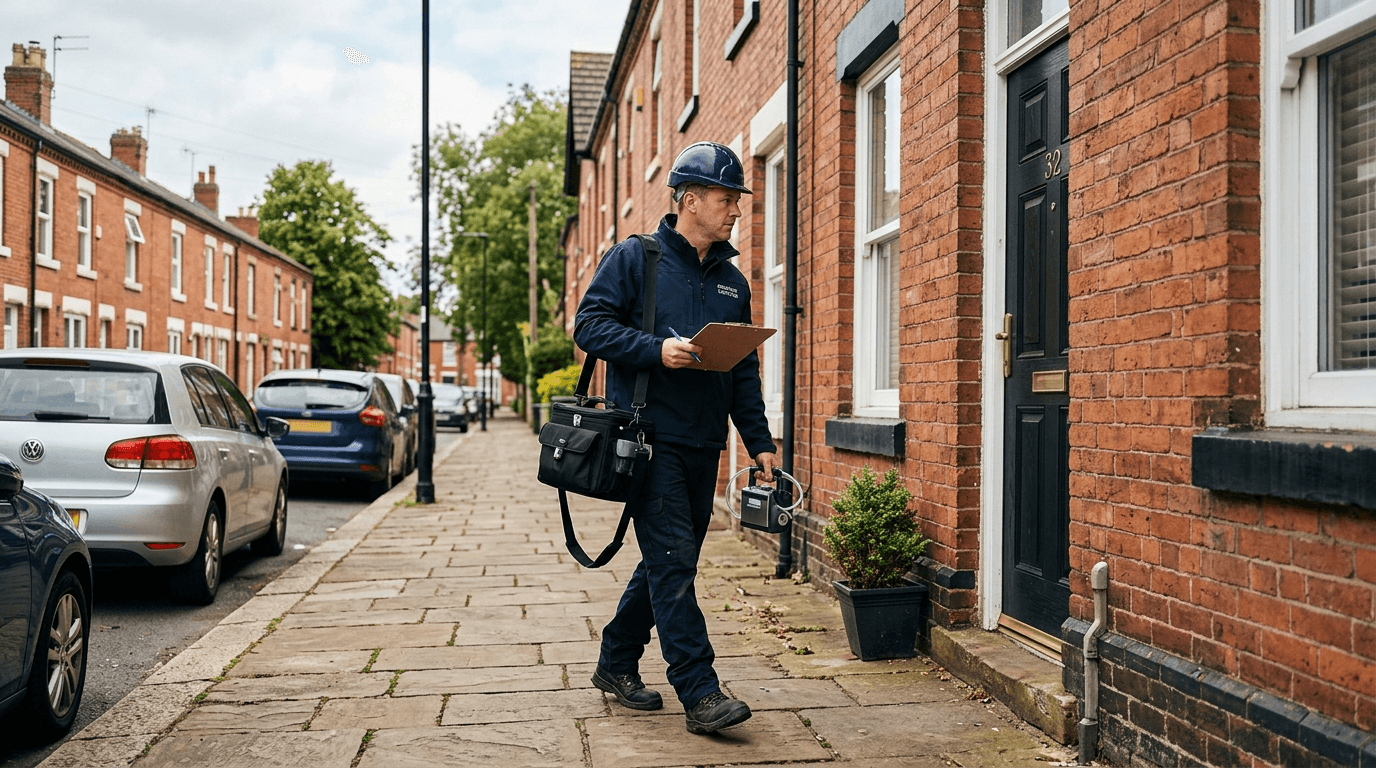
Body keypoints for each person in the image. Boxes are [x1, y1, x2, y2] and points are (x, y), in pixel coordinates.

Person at [574, 141, 779, 734]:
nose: (736, 209)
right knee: (672, 561)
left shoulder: (732, 282)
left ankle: (615, 661)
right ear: (690, 200)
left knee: (672, 559)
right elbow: (590, 325)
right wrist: (655, 350)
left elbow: (742, 370)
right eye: (725, 198)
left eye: (737, 199)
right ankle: (699, 689)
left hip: (703, 444)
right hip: (646, 439)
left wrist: (760, 441)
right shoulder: (637, 258)